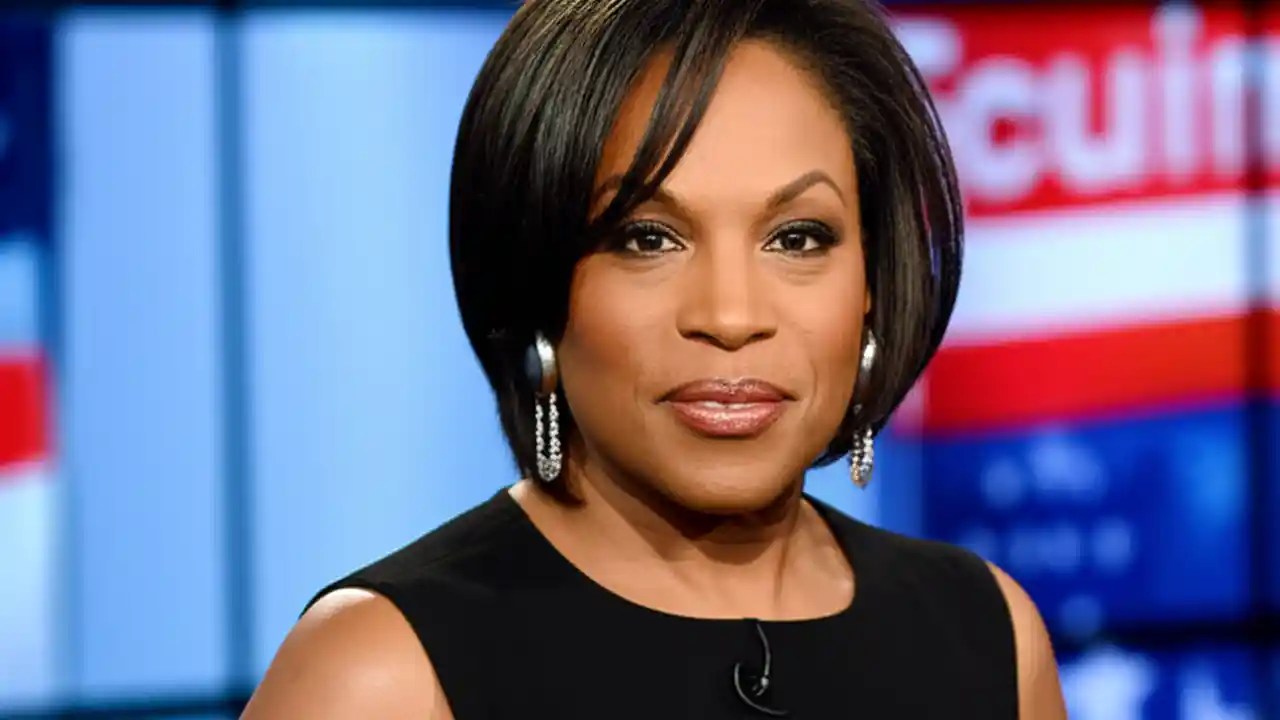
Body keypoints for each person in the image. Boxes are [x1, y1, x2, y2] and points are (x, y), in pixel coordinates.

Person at [242, 0, 1068, 717]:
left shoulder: (987, 635)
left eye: (796, 238)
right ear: (536, 278)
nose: (731, 317)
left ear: (872, 286)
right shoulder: (381, 671)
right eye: (647, 238)